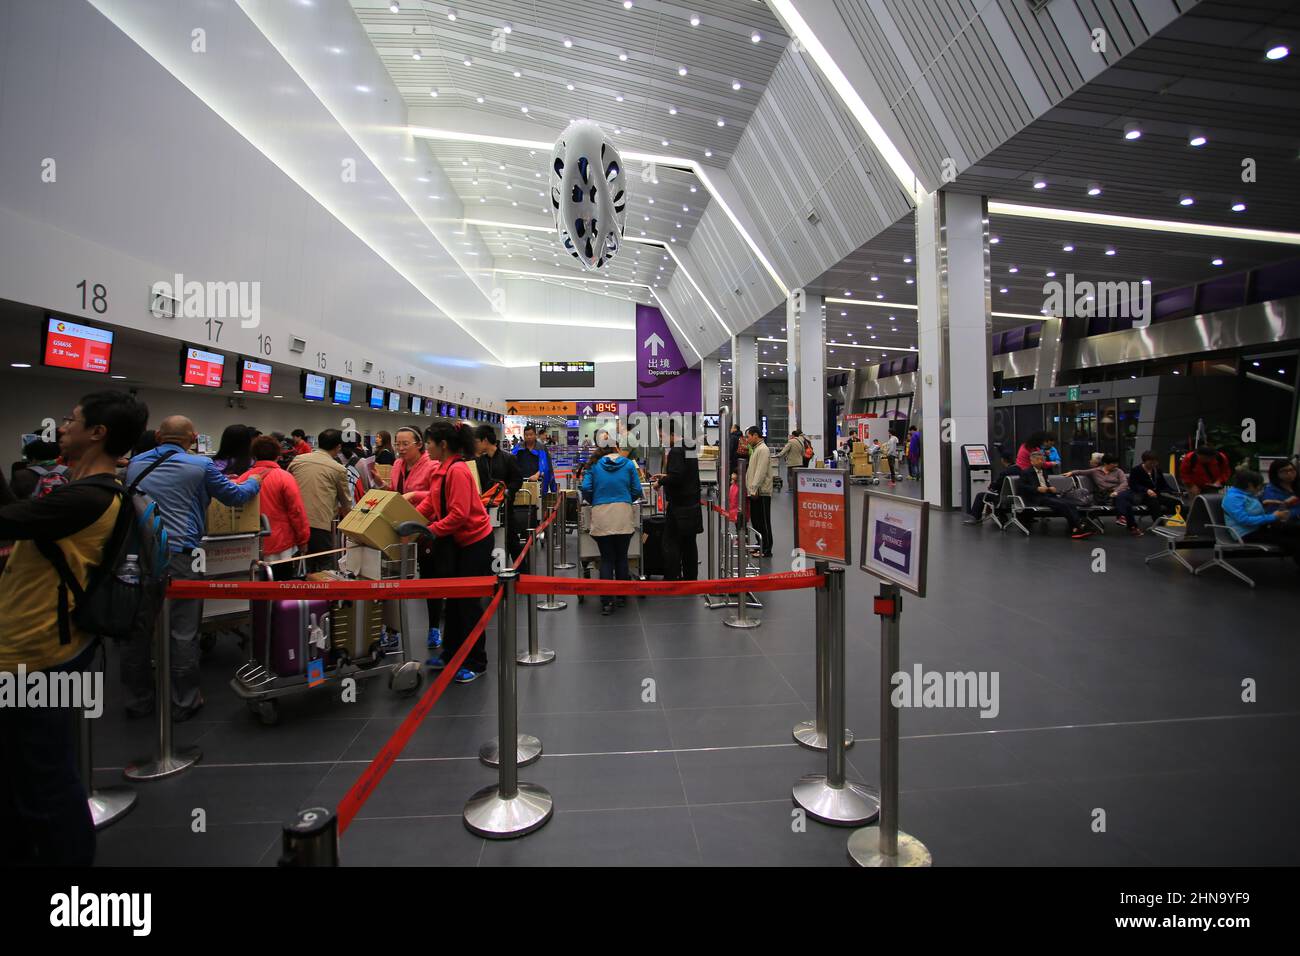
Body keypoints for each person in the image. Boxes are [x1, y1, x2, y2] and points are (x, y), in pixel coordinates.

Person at [0, 390, 148, 865]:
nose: (62, 426)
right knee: (29, 771)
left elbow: (8, 520)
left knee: (44, 775)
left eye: (73, 419)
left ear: (98, 433)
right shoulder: (84, 491)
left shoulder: (88, 496)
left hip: (39, 651)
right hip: (55, 643)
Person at [123, 415, 261, 720]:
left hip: (137, 556)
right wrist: (254, 481)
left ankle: (138, 700)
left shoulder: (134, 465)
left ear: (159, 436)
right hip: (179, 556)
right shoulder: (200, 466)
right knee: (182, 631)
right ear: (194, 437)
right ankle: (183, 701)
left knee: (137, 631)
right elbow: (234, 496)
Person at [416, 420, 494, 681]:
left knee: (467, 604)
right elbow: (431, 502)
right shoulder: (440, 470)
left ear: (444, 444)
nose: (426, 448)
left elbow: (460, 515)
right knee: (454, 600)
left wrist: (431, 531)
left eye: (428, 442)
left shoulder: (458, 471)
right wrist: (408, 521)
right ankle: (451, 653)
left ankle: (475, 661)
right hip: (458, 541)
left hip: (475, 542)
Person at [581, 435, 642, 615]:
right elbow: (637, 490)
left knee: (606, 558)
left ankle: (607, 602)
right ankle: (622, 597)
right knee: (622, 557)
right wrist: (626, 499)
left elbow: (585, 489)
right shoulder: (629, 464)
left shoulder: (594, 466)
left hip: (601, 515)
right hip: (623, 514)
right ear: (615, 446)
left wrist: (596, 501)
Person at [237, 435, 310, 578]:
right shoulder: (285, 477)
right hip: (281, 545)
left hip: (252, 546)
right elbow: (297, 512)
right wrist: (303, 540)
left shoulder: (243, 478)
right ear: (278, 454)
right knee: (281, 591)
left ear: (254, 455)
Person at [287, 428, 352, 573]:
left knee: (300, 564)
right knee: (324, 565)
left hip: (295, 522)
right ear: (338, 447)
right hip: (320, 524)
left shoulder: (298, 460)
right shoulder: (338, 469)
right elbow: (346, 503)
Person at [654, 420, 702, 581]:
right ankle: (690, 577)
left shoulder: (675, 451)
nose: (661, 439)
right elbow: (685, 474)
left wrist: (660, 481)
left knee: (670, 542)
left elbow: (676, 477)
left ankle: (671, 577)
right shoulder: (689, 446)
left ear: (672, 434)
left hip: (679, 505)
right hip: (692, 503)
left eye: (662, 436)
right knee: (689, 543)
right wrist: (665, 477)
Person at [1222, 469, 1300, 562]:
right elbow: (1244, 520)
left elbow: (1249, 509)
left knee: (1295, 529)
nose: (1261, 488)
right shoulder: (1233, 498)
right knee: (1293, 543)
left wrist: (1263, 505)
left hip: (1259, 529)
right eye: (1260, 485)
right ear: (1250, 485)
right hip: (1247, 534)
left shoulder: (1246, 494)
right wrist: (1274, 516)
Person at [474, 424, 524, 567]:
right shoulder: (479, 461)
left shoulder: (508, 459)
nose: (475, 445)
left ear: (484, 441)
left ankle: (523, 576)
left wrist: (508, 491)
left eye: (477, 441)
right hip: (484, 511)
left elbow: (517, 480)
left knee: (513, 544)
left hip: (505, 510)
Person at [1017, 450, 1093, 539]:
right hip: (1037, 497)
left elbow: (1046, 483)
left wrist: (1051, 488)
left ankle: (1076, 527)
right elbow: (1021, 487)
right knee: (1062, 504)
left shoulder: (1045, 471)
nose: (1041, 461)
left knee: (1070, 503)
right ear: (1032, 461)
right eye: (1038, 460)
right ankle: (1078, 526)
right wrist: (1036, 489)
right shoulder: (1025, 472)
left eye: (1042, 459)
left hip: (1048, 495)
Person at [1116, 450, 1178, 534]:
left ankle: (1183, 525)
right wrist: (1146, 490)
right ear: (1144, 461)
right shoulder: (1136, 470)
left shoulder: (1157, 470)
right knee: (1154, 503)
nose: (1153, 464)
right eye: (1151, 462)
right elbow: (1133, 485)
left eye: (1155, 462)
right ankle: (1159, 526)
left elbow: (1163, 484)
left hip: (1155, 494)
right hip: (1142, 495)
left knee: (1176, 503)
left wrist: (1173, 492)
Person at [1064, 454, 1129, 525]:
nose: (1116, 465)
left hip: (1117, 493)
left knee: (1120, 497)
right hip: (1104, 495)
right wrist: (1071, 472)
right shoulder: (1095, 471)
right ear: (1105, 463)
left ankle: (1120, 517)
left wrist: (1116, 491)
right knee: (1091, 500)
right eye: (1113, 463)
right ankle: (1081, 522)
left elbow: (1124, 483)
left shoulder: (1119, 471)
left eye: (1117, 463)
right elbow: (1081, 471)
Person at [744, 426, 774, 557]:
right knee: (756, 520)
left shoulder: (763, 449)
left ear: (756, 435)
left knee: (763, 521)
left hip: (761, 492)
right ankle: (759, 544)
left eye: (748, 436)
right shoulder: (756, 449)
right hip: (754, 492)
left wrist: (754, 488)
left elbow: (760, 472)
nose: (747, 439)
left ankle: (767, 549)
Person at [964, 452, 1018, 523]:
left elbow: (997, 486)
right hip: (1016, 498)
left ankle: (976, 518)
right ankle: (1002, 517)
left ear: (1002, 460)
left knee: (980, 495)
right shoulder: (1019, 470)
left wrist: (991, 487)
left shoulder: (1005, 472)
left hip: (1003, 499)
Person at [390, 426, 437, 508]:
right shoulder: (397, 464)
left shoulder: (432, 465)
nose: (400, 448)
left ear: (419, 445)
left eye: (405, 444)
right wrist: (379, 483)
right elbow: (394, 491)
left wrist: (414, 495)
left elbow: (438, 495)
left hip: (424, 517)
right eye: (397, 444)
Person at [514, 424, 557, 495]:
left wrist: (538, 474)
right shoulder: (519, 447)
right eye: (526, 435)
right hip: (522, 480)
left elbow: (544, 464)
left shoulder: (541, 447)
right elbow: (511, 459)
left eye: (531, 434)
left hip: (538, 480)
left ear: (535, 435)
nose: (528, 437)